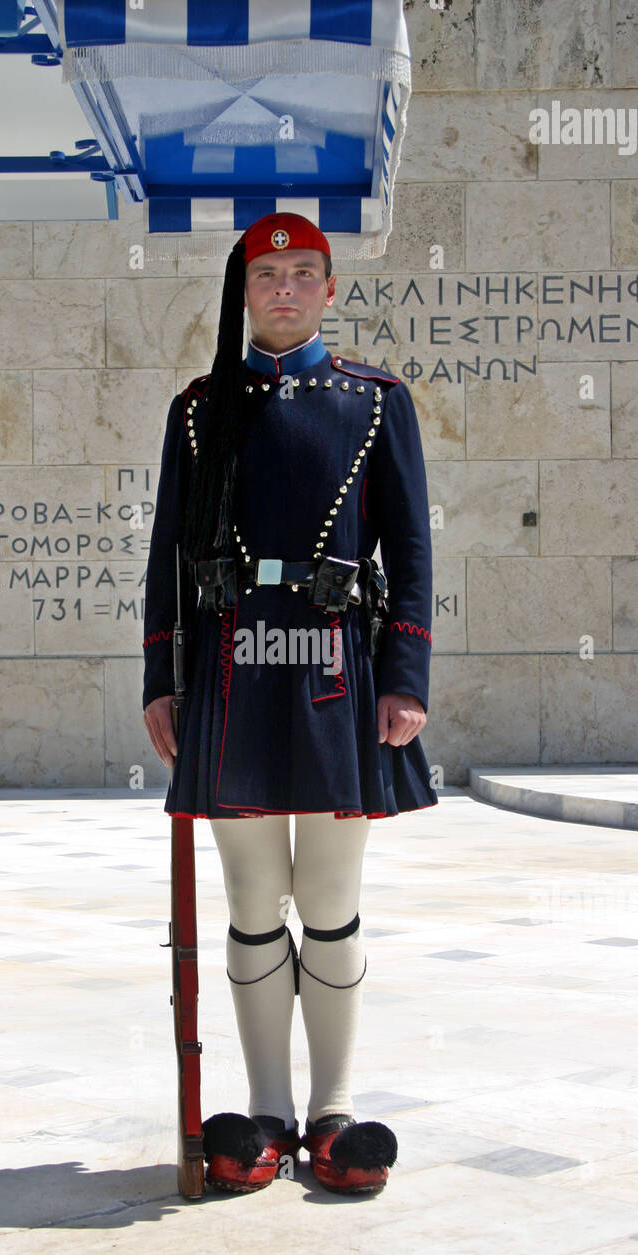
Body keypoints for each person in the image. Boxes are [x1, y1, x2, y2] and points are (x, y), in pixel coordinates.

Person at [142, 212, 437, 1195]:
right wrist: (161, 676)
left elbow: (408, 546)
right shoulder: (198, 410)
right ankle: (267, 1111)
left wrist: (405, 676)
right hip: (232, 663)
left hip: (333, 665)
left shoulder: (373, 400)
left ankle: (335, 1109)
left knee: (329, 900)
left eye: (301, 275)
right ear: (244, 291)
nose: (282, 292)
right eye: (266, 277)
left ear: (327, 289)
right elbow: (167, 563)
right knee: (248, 899)